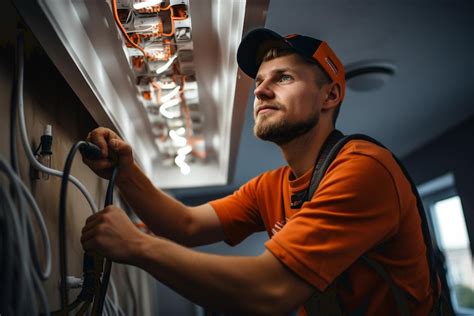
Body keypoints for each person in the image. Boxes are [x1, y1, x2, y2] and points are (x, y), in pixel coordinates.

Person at [81, 28, 436, 315]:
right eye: (260, 82)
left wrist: (138, 246)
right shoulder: (270, 186)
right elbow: (186, 226)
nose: (261, 90)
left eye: (282, 78)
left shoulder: (363, 168)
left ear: (330, 96)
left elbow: (271, 290)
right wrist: (126, 172)